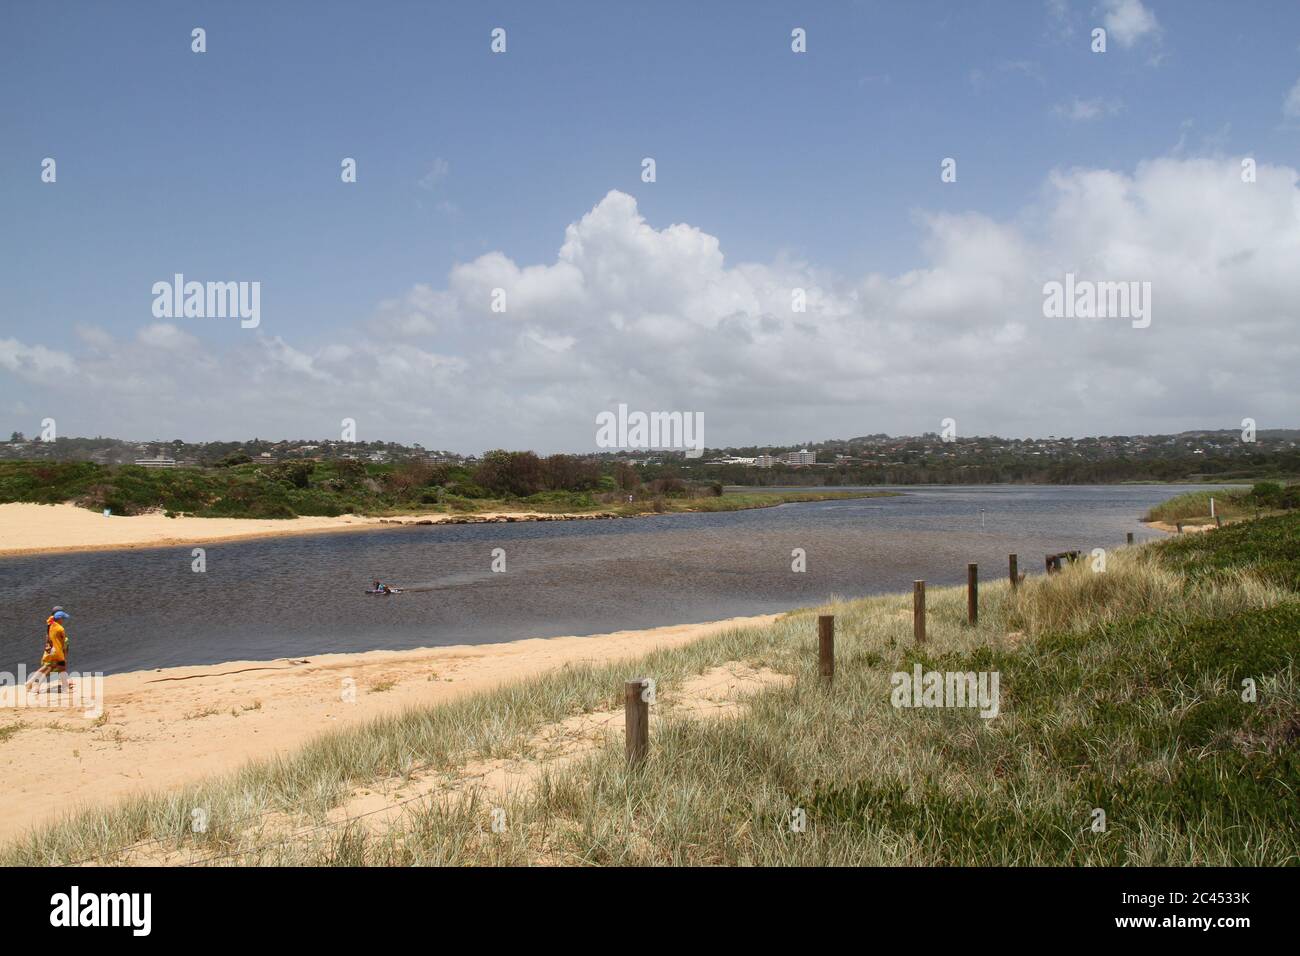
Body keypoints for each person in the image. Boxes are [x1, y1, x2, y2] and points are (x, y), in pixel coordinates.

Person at [26, 606, 71, 695]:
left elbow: (48, 637)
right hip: (56, 651)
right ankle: (35, 686)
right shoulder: (59, 628)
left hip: (50, 650)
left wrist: (48, 646)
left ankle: (31, 683)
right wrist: (64, 654)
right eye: (62, 618)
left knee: (49, 668)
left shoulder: (50, 623)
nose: (63, 620)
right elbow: (63, 642)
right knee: (53, 668)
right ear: (59, 617)